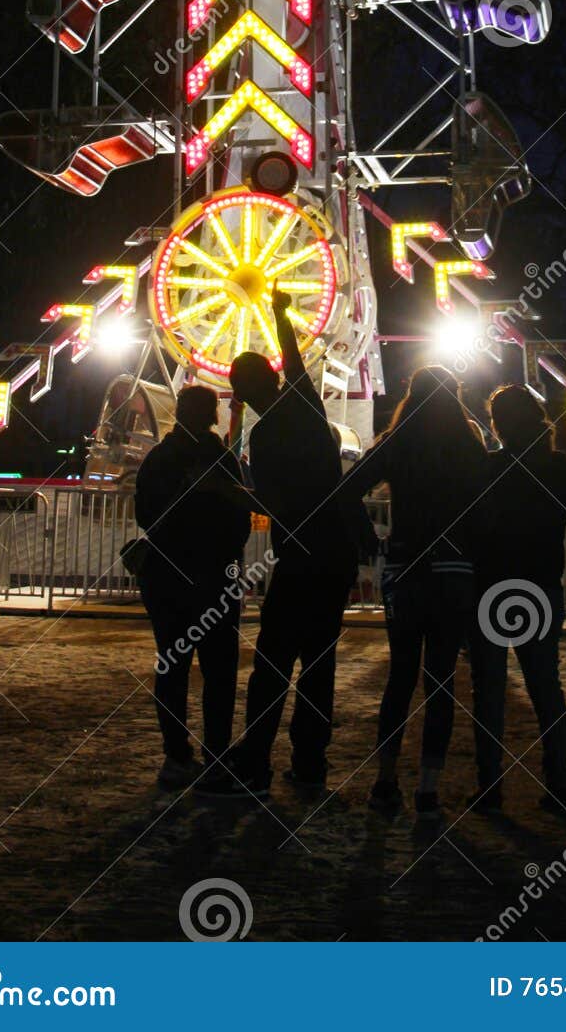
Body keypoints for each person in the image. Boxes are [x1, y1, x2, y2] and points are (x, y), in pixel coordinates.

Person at [226, 288, 369, 795]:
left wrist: (234, 494)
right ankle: (309, 762)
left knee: (271, 662)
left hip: (298, 557)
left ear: (241, 395)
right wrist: (280, 314)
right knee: (319, 664)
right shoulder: (306, 407)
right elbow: (294, 359)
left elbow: (273, 504)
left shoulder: (264, 437)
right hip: (334, 555)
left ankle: (256, 756)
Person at [348, 366, 488, 816]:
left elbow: (348, 488)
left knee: (400, 678)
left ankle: (386, 781)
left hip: (406, 566)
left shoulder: (398, 442)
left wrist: (372, 543)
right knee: (441, 680)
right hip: (454, 569)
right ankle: (428, 788)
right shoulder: (468, 443)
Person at [134, 385, 252, 791]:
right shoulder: (222, 459)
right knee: (219, 670)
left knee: (172, 665)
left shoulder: (158, 459)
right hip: (216, 577)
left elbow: (145, 515)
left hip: (168, 577)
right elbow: (240, 519)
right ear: (212, 416)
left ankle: (176, 755)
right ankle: (216, 755)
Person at [469, 385, 566, 815]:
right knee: (545, 686)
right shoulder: (558, 467)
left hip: (493, 584)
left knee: (489, 690)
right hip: (541, 585)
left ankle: (490, 783)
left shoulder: (489, 469)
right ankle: (558, 783)